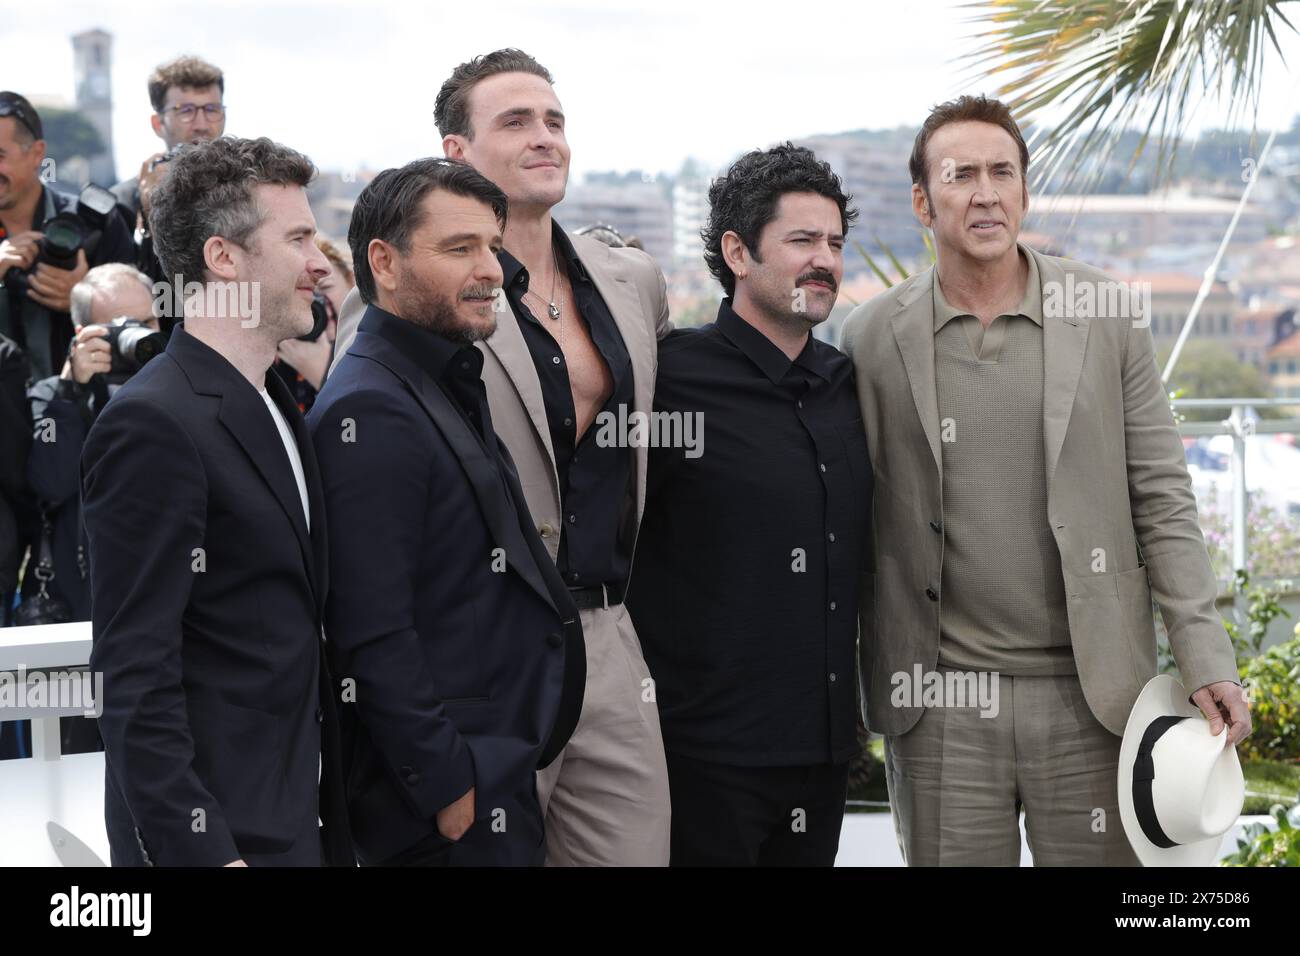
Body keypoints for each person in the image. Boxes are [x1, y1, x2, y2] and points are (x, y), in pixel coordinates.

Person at [839, 95, 1251, 866]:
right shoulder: (867, 339)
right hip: (941, 707)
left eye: (1003, 173)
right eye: (961, 175)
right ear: (924, 202)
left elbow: (1162, 494)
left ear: (1026, 193)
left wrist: (1205, 655)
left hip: (1096, 701)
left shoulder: (1104, 316)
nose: (985, 192)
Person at [330, 49, 672, 866]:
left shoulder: (633, 278)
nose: (545, 136)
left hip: (609, 636)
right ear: (456, 150)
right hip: (483, 658)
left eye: (555, 120)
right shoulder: (410, 291)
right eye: (515, 121)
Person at [81, 136, 352, 867]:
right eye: (297, 238)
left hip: (297, 821)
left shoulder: (274, 403)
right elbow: (135, 673)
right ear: (224, 258)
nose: (319, 264)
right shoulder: (153, 424)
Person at [309, 158, 584, 866]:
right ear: (385, 263)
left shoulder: (436, 375)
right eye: (460, 249)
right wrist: (444, 785)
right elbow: (370, 627)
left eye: (492, 246)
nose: (491, 269)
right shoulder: (370, 405)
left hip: (492, 774)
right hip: (442, 810)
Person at [627, 144, 867, 866]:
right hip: (702, 760)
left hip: (823, 755)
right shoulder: (667, 382)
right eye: (801, 241)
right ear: (737, 251)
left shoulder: (848, 384)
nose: (823, 259)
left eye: (833, 243)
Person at [0, 92, 135, 382]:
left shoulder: (96, 225)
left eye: (0, 156)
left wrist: (85, 301)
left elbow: (141, 325)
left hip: (85, 411)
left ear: (37, 154)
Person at [111, 57, 226, 294]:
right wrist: (151, 214)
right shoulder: (121, 203)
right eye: (186, 111)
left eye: (212, 109)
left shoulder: (248, 193)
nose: (202, 124)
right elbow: (122, 293)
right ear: (157, 123)